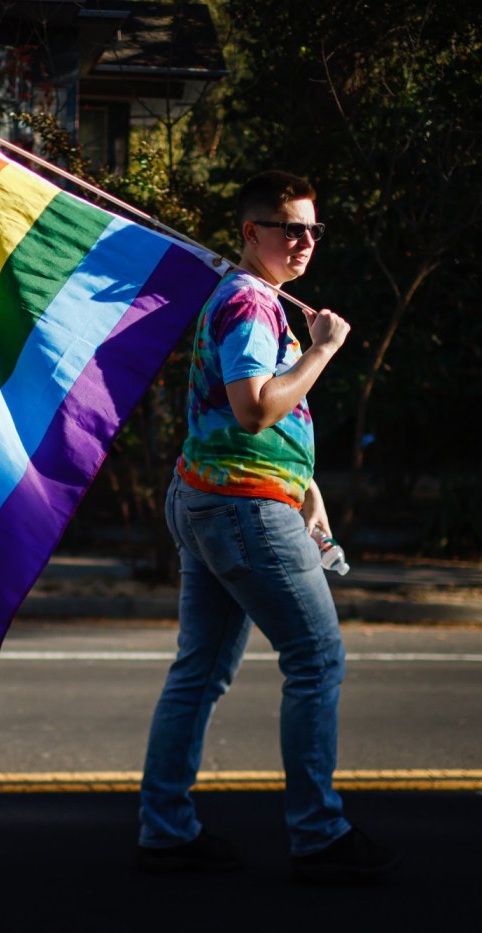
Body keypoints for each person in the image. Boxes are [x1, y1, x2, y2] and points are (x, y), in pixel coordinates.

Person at [136, 171, 399, 883]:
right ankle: (318, 832)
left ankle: (165, 828)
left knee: (200, 670)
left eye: (314, 229)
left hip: (215, 497)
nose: (305, 241)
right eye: (291, 228)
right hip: (243, 510)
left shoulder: (250, 297)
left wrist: (305, 485)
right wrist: (323, 349)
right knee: (316, 660)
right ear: (252, 233)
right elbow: (253, 408)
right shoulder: (252, 302)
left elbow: (240, 421)